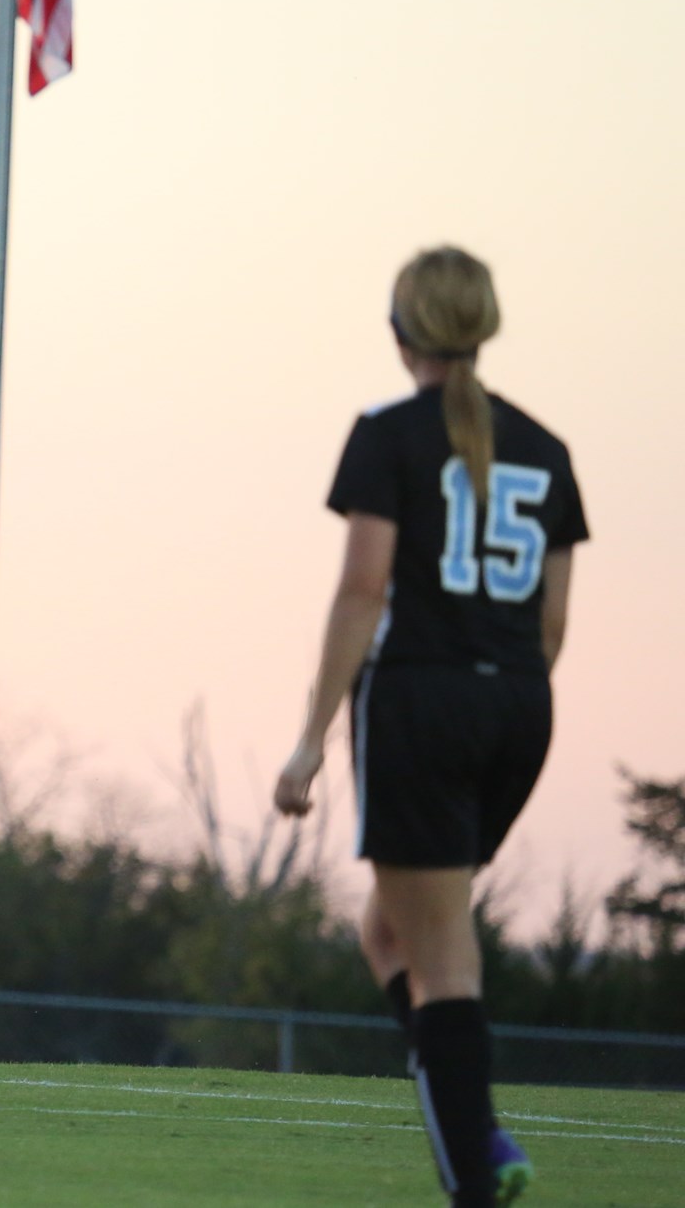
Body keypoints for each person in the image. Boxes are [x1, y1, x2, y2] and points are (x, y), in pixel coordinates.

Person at [274, 247, 587, 1206]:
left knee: (443, 959)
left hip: (422, 702)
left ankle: (475, 1176)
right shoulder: (548, 446)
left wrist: (310, 739)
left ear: (401, 330)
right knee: (391, 932)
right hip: (521, 707)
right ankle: (475, 1125)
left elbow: (363, 589)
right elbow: (552, 624)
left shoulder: (389, 435)